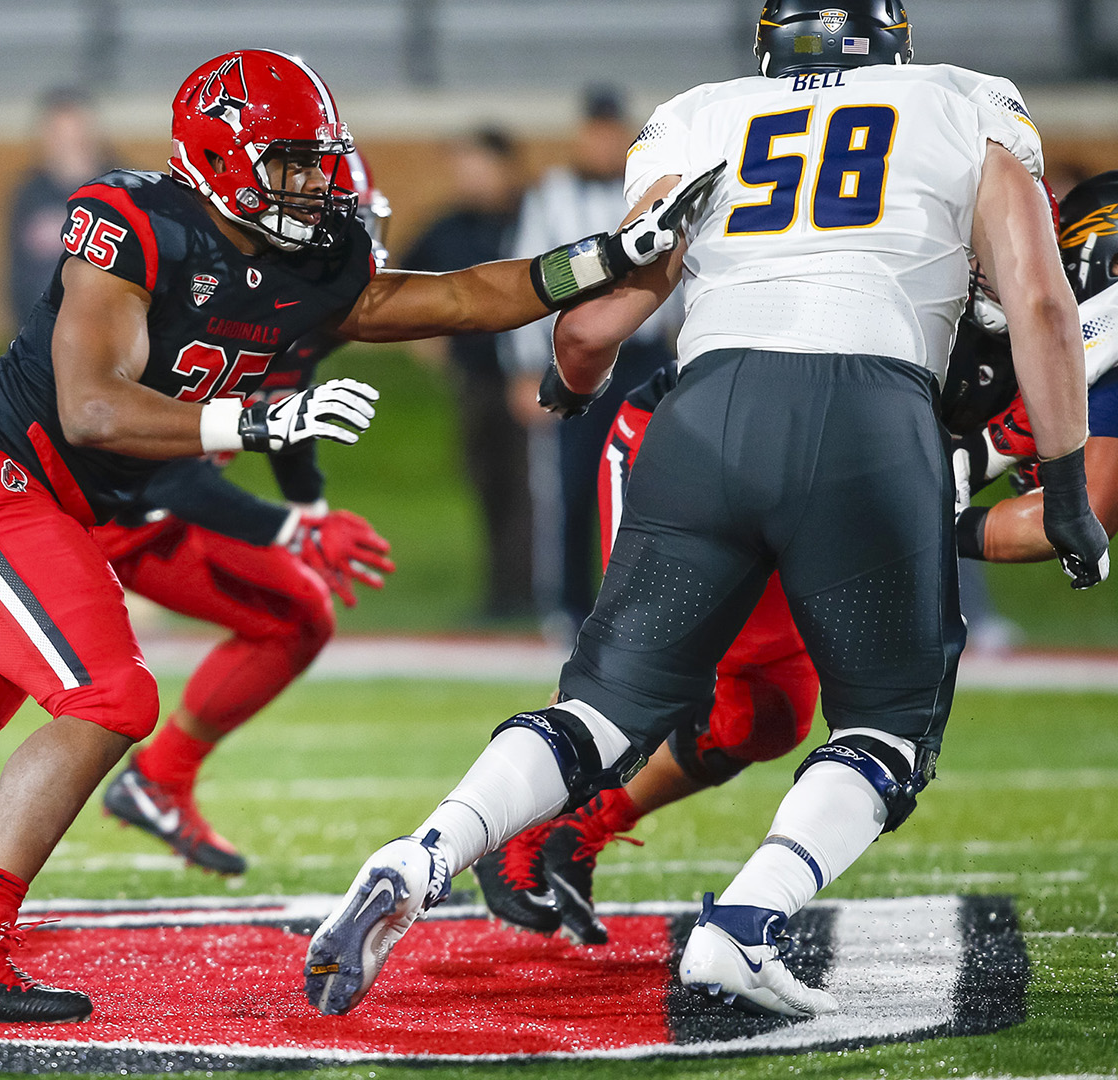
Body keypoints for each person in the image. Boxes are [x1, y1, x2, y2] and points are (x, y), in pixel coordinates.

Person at [0, 48, 701, 1025]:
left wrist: (607, 258)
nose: (316, 185)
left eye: (317, 160)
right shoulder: (129, 222)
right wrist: (261, 418)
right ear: (217, 160)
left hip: (53, 517)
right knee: (111, 695)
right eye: (290, 164)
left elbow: (462, 297)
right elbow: (96, 404)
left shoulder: (316, 263)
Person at [306, 2, 1109, 1021]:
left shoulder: (704, 115)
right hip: (866, 413)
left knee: (598, 710)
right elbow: (1038, 302)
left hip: (703, 413)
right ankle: (744, 927)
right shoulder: (963, 102)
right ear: (889, 34)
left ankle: (424, 851)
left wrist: (570, 378)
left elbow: (598, 321)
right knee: (886, 727)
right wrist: (1071, 487)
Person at [476, 170, 1118, 948]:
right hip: (704, 456)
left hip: (840, 501)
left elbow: (1072, 512)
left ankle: (574, 829)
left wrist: (921, 522)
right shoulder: (913, 283)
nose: (993, 266)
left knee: (766, 715)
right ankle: (517, 825)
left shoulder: (1074, 342)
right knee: (646, 677)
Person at [0, 151, 397, 892]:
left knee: (290, 615)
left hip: (130, 508)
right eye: (334, 213)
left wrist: (307, 508)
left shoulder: (298, 295)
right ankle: (129, 800)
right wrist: (287, 528)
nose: (341, 233)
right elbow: (166, 452)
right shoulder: (210, 280)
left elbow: (290, 406)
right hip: (86, 505)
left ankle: (158, 782)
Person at [505, 86, 682, 637]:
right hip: (575, 356)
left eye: (612, 131)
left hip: (646, 353)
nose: (603, 142)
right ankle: (569, 605)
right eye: (595, 132)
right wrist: (525, 365)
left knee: (652, 481)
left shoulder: (652, 185)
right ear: (583, 135)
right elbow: (526, 275)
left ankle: (641, 604)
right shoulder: (553, 193)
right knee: (571, 480)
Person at [403, 128, 536, 622]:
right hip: (478, 380)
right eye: (463, 167)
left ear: (506, 166)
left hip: (534, 379)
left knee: (535, 487)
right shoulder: (448, 226)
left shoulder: (536, 215)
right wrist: (437, 353)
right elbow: (401, 285)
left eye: (478, 165)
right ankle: (502, 594)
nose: (469, 177)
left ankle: (542, 591)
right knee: (489, 484)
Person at [8, 88, 112, 329]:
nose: (66, 144)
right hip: (43, 334)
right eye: (57, 134)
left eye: (73, 134)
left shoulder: (125, 189)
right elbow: (16, 274)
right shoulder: (29, 195)